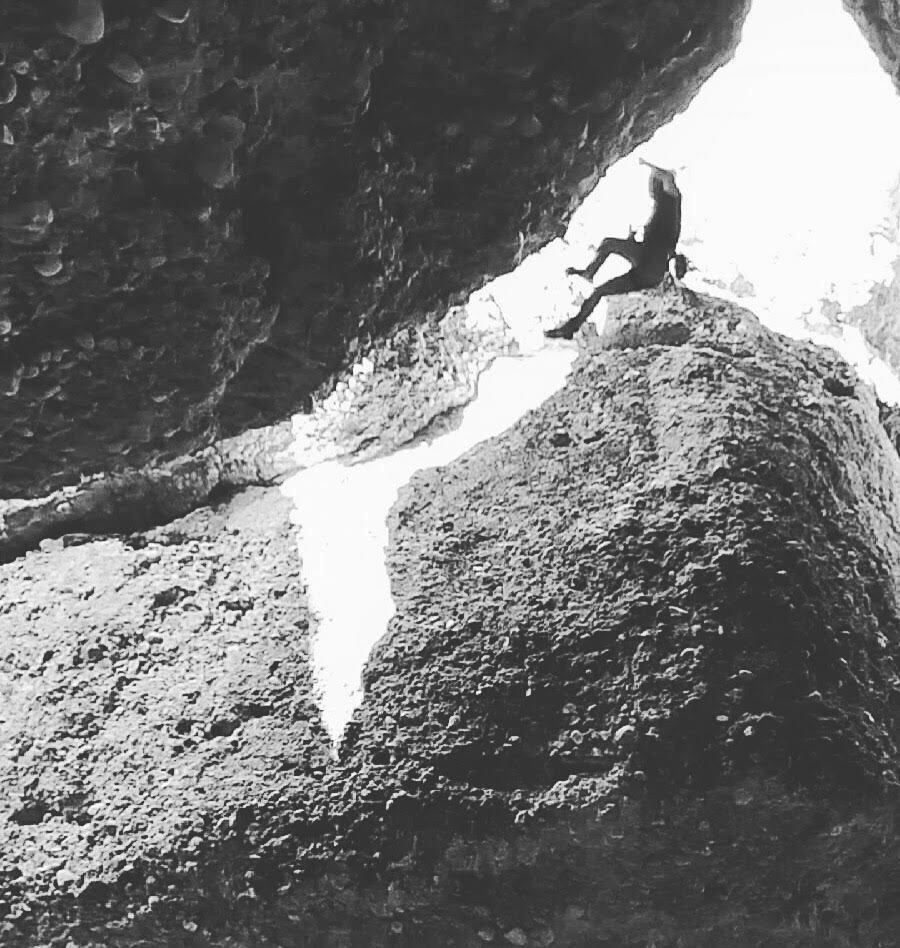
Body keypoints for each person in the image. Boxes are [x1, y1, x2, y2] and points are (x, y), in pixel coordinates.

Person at [545, 159, 687, 339]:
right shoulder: (662, 206)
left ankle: (589, 273)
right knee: (600, 289)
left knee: (609, 244)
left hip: (651, 263)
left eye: (652, 182)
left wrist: (648, 165)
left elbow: (668, 176)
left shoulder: (672, 200)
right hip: (646, 268)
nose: (650, 187)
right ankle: (570, 328)